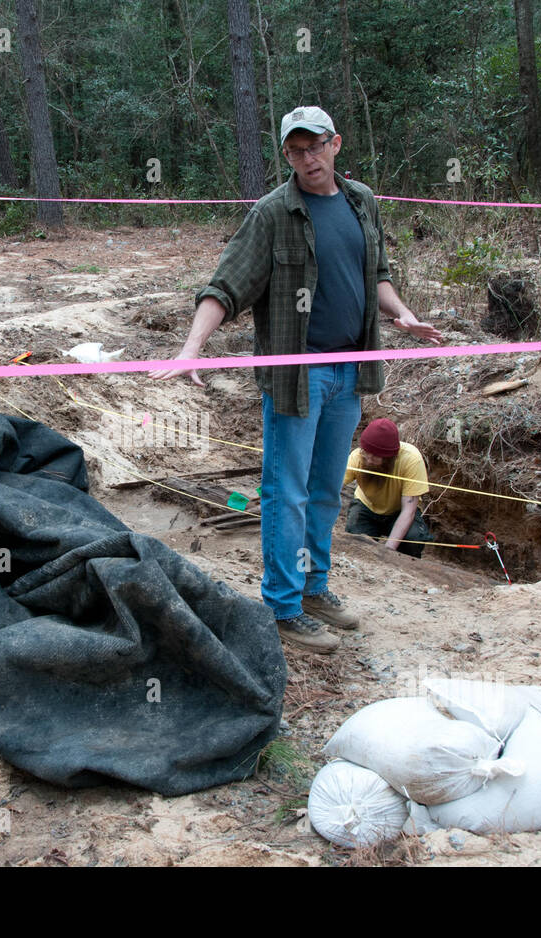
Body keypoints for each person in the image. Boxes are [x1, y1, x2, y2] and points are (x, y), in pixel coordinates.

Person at [150, 106, 441, 654]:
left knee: (327, 491)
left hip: (349, 374)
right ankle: (282, 607)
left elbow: (376, 273)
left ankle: (314, 588)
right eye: (296, 150)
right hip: (296, 377)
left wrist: (400, 313)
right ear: (286, 154)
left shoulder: (361, 202)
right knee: (287, 493)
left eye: (316, 146)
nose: (307, 158)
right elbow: (226, 286)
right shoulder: (273, 213)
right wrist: (192, 349)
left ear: (336, 144)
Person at [344, 418, 434, 558]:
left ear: (389, 457)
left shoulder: (411, 460)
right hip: (366, 507)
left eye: (375, 456)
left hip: (398, 512)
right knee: (355, 543)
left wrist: (387, 552)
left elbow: (408, 511)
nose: (368, 459)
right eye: (366, 452)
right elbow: (332, 486)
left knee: (413, 539)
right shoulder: (358, 457)